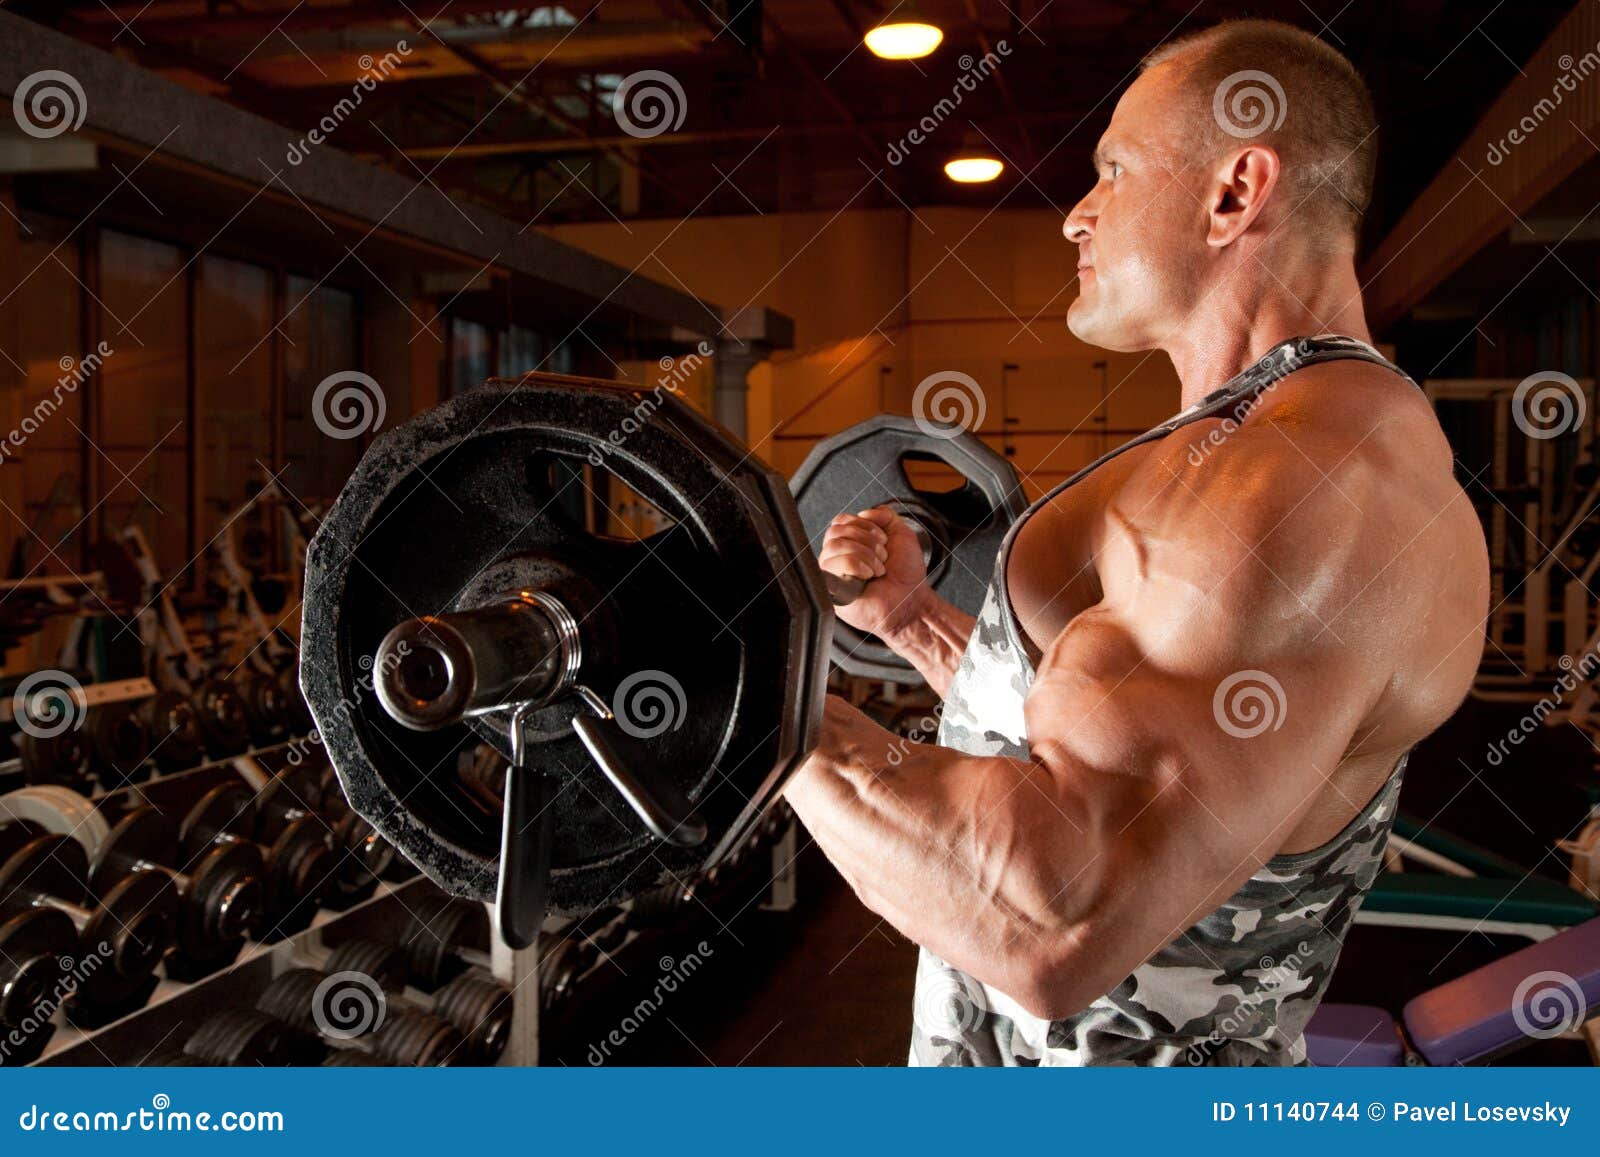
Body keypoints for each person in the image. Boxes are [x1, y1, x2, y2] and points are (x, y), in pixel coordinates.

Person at [782, 18, 1490, 1066]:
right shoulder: (1248, 448)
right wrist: (916, 622)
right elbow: (1089, 726)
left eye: (1113, 171)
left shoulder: (1302, 483)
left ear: (1234, 192)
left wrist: (754, 692)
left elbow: (1053, 913)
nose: (1077, 214)